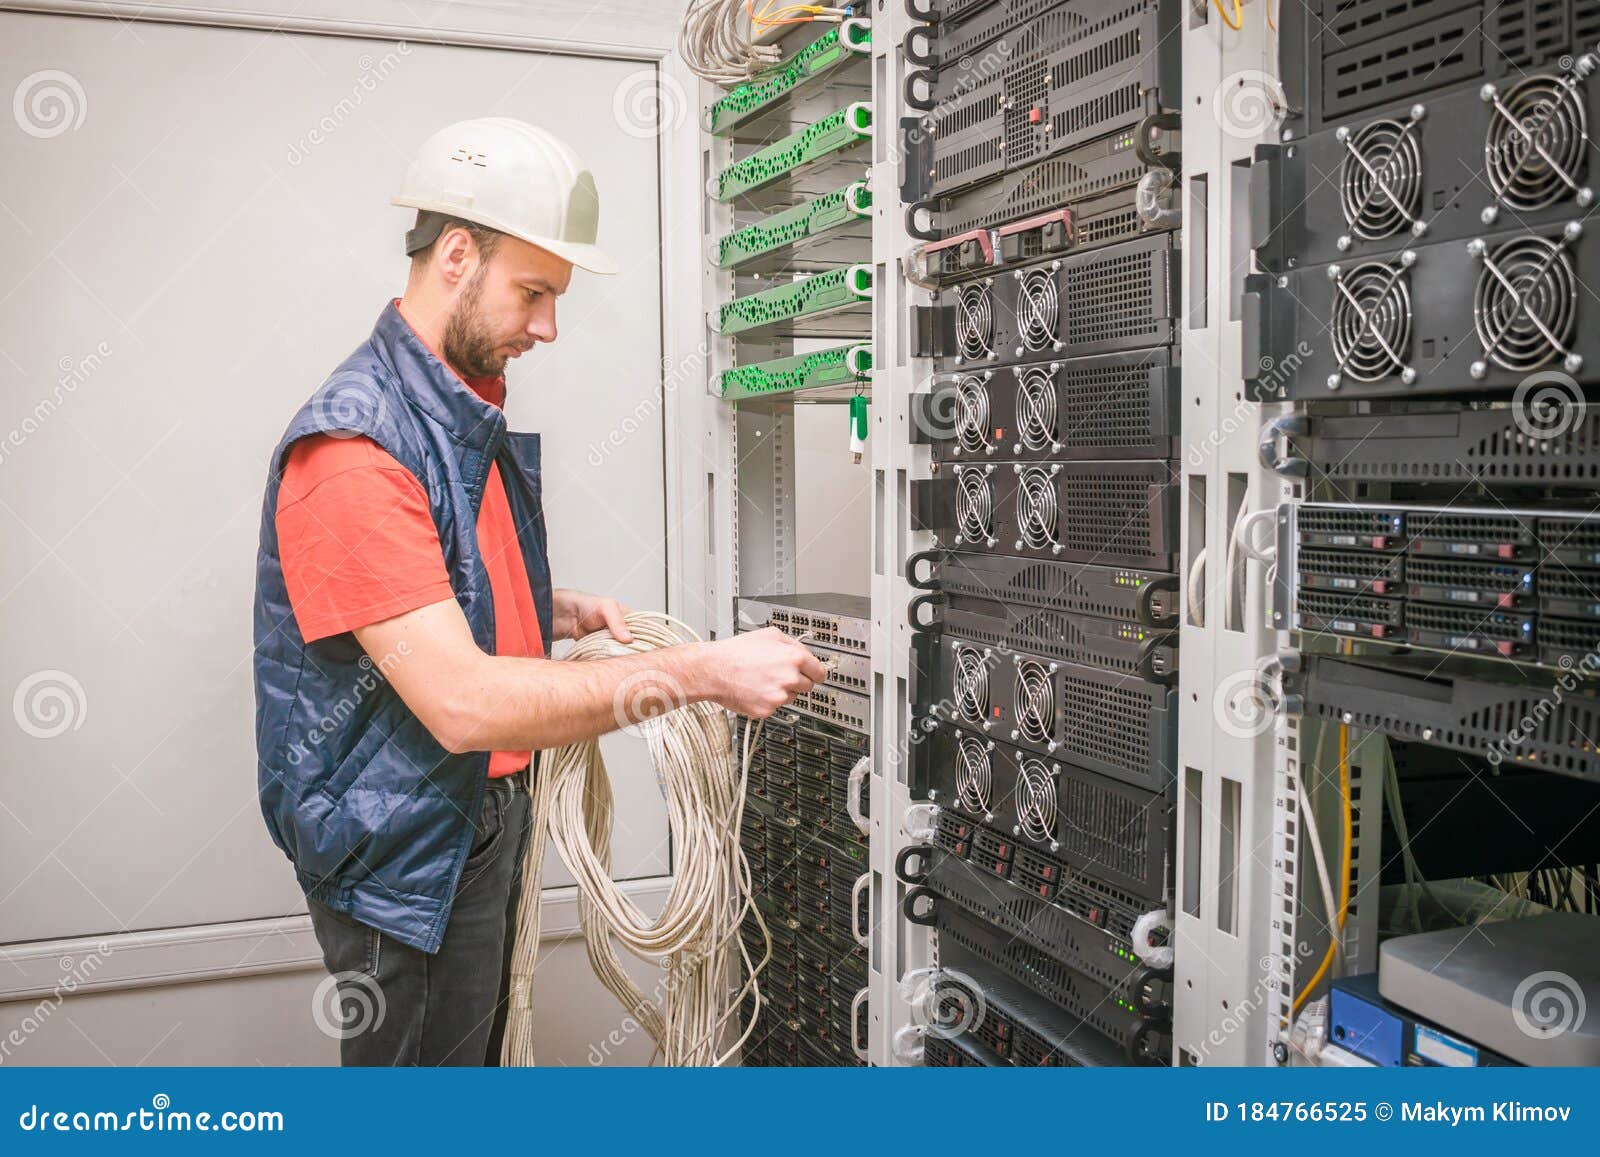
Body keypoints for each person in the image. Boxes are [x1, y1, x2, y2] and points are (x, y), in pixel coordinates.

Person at [251, 117, 826, 1066]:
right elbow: (463, 700)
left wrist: (553, 610)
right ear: (457, 253)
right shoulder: (356, 447)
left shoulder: (450, 410)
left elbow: (416, 595)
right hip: (409, 859)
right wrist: (705, 672)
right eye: (533, 293)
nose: (548, 327)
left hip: (463, 829)